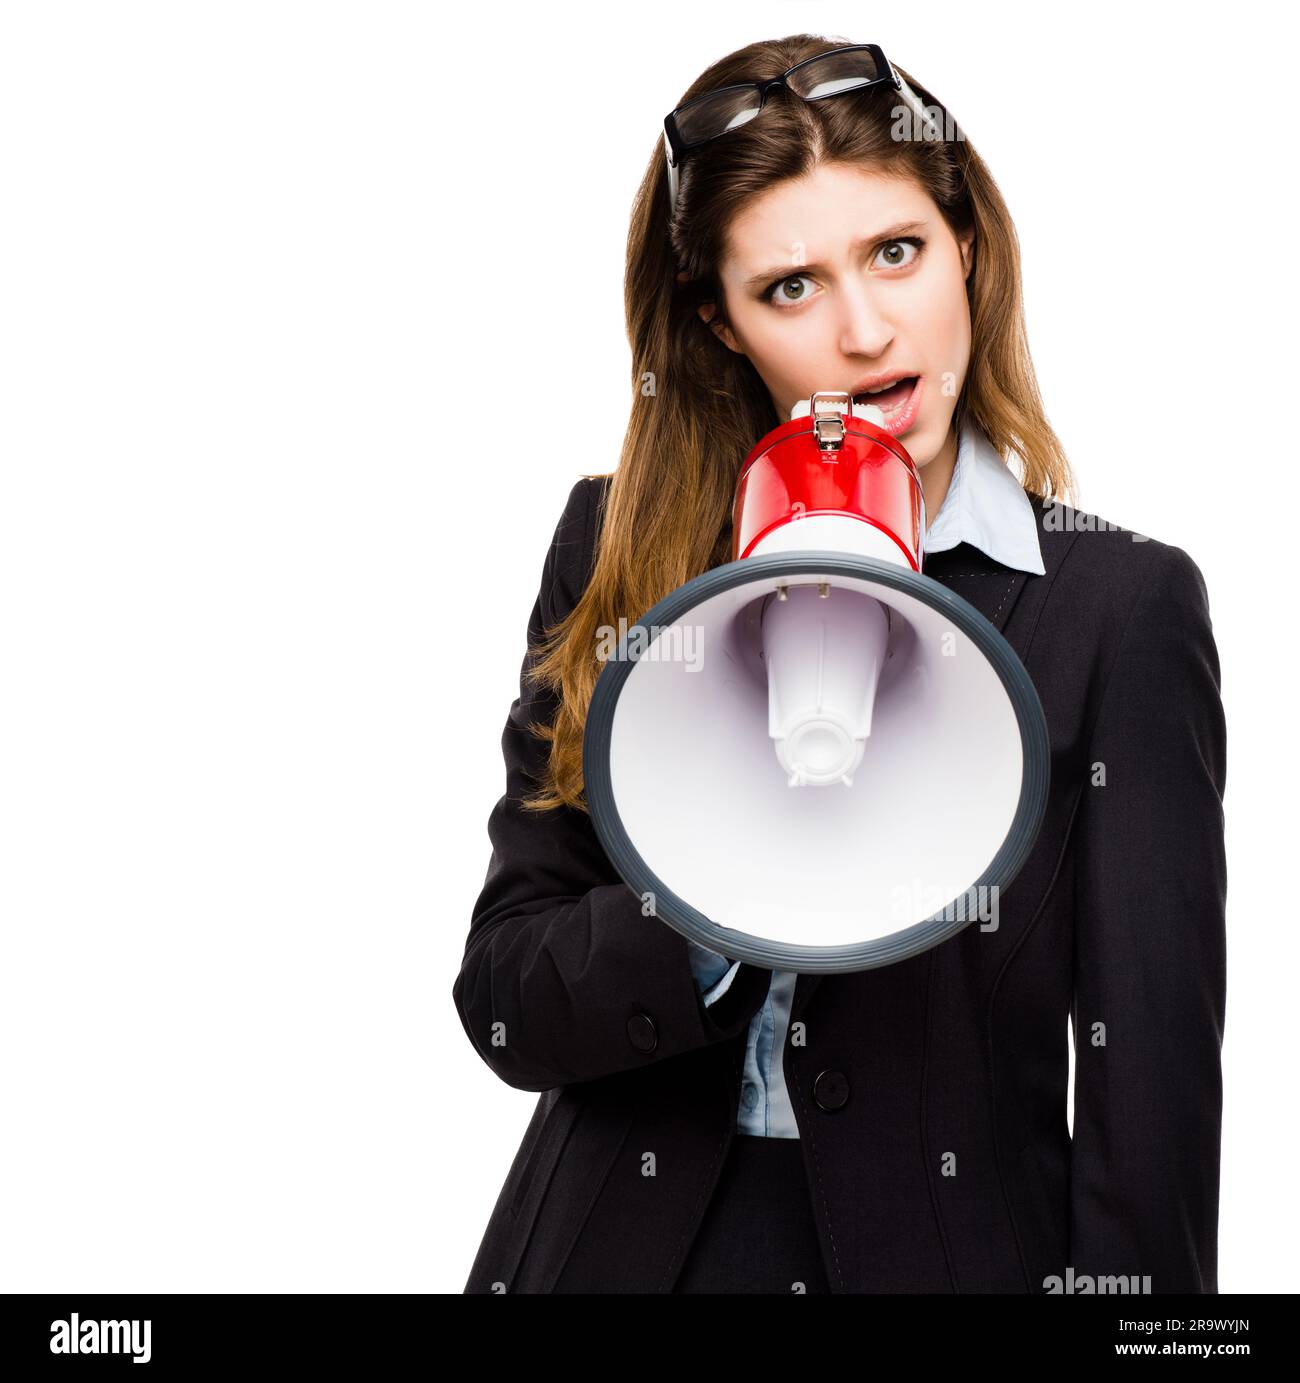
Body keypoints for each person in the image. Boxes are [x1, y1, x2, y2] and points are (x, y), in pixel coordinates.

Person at [452, 35, 1227, 1294]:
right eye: (791, 288)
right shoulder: (616, 546)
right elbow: (504, 1000)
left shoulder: (1118, 608)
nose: (867, 333)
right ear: (719, 322)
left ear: (966, 246)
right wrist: (700, 906)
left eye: (896, 253)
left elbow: (1149, 1092)